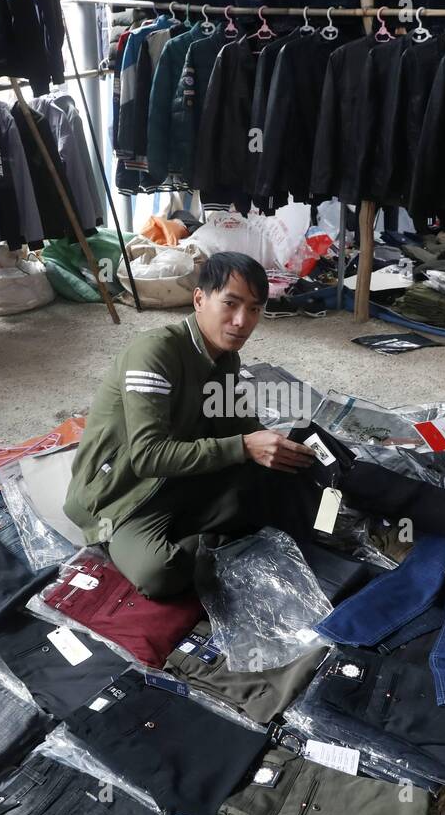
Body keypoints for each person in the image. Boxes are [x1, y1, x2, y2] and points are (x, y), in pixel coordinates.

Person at [63, 251, 318, 598]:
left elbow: (232, 419)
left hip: (182, 474)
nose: (242, 321)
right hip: (122, 495)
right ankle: (213, 532)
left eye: (255, 309)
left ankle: (214, 529)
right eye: (230, 303)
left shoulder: (225, 357)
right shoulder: (154, 352)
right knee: (159, 576)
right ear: (199, 299)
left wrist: (267, 440)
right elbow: (148, 457)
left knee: (280, 470)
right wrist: (244, 447)